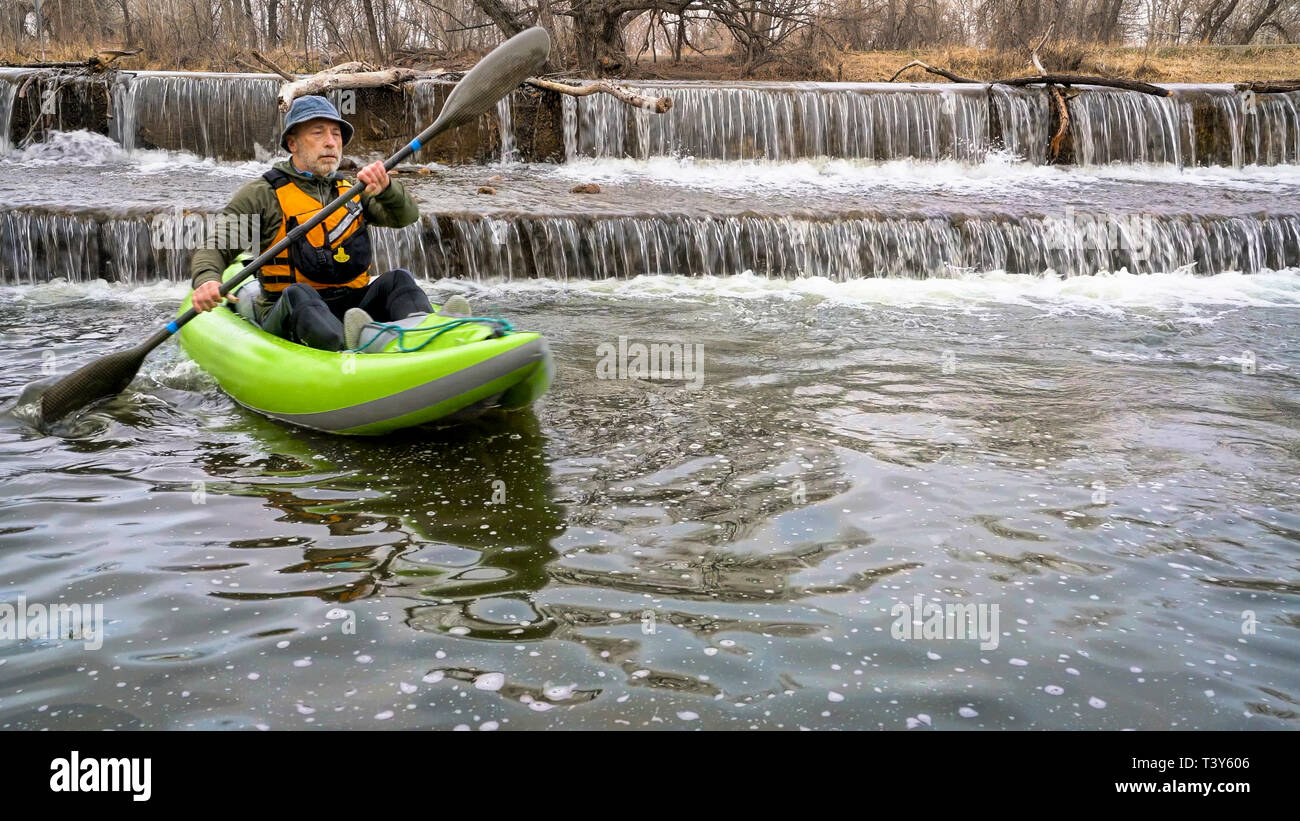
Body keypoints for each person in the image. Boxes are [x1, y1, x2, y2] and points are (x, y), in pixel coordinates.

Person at [189, 95, 466, 350]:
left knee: (398, 280)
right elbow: (216, 246)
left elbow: (406, 217)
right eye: (318, 133)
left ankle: (429, 334)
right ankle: (359, 344)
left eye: (336, 134)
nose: (331, 142)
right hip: (290, 311)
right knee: (300, 294)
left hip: (352, 303)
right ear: (293, 143)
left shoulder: (354, 189)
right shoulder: (262, 193)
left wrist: (387, 188)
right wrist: (207, 280)